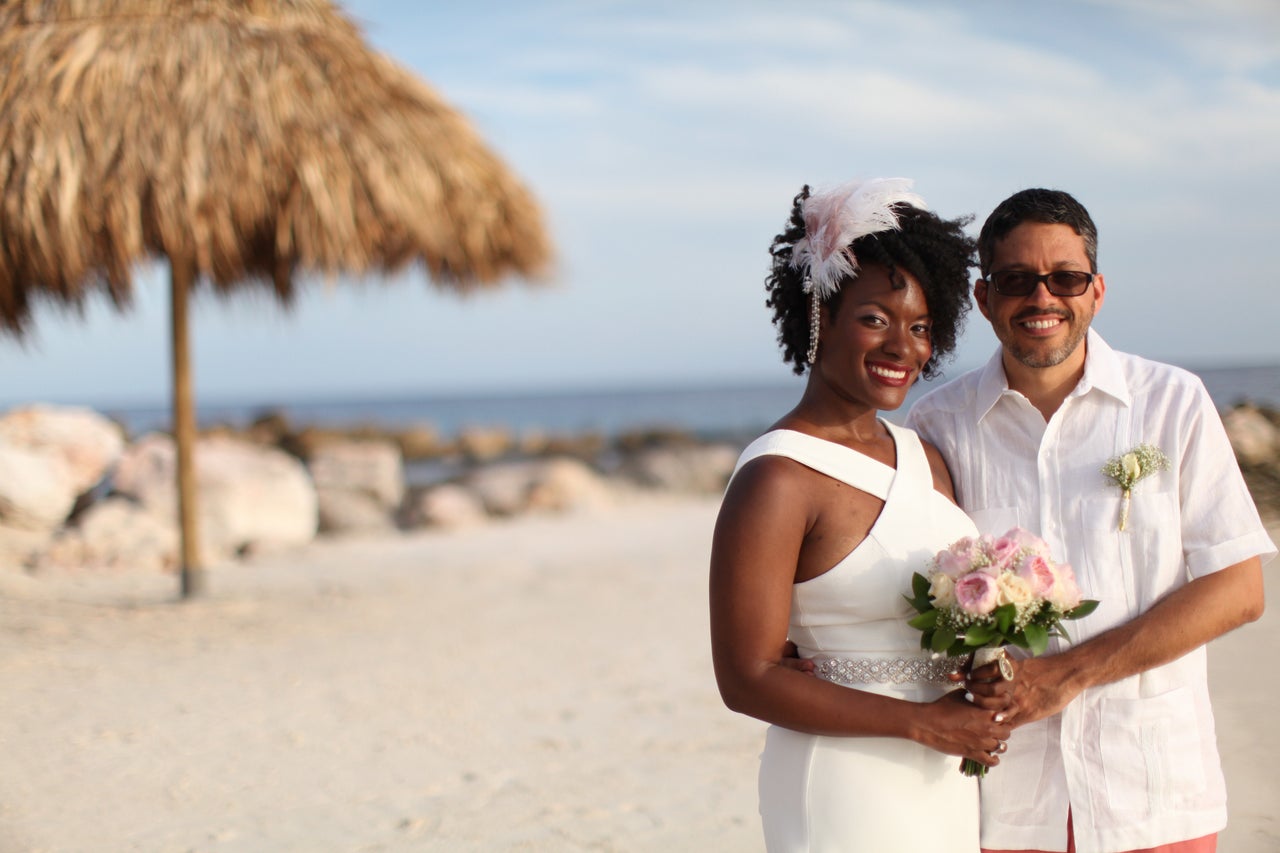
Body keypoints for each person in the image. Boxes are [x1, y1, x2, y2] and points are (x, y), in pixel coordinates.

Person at [905, 188, 1275, 853]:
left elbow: (1239, 589)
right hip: (1006, 799)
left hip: (1155, 791)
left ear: (1096, 290)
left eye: (1065, 277)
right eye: (1017, 279)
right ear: (985, 298)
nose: (1042, 296)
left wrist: (1066, 675)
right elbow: (914, 591)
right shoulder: (938, 425)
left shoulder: (1172, 403)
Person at [709, 177, 1014, 853]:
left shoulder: (924, 455)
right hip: (844, 781)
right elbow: (745, 677)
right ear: (821, 313)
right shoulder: (776, 477)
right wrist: (921, 723)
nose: (903, 347)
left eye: (922, 327)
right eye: (876, 317)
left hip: (941, 776)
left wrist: (982, 663)